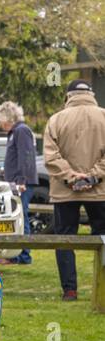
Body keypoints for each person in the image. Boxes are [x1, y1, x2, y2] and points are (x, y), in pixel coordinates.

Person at [43, 79, 105, 301]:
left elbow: (50, 157)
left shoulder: (57, 119)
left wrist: (71, 179)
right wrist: (93, 176)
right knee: (104, 238)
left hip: (64, 191)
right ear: (91, 94)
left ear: (68, 96)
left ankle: (70, 290)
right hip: (101, 191)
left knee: (65, 238)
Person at [0, 100, 36, 265]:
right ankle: (18, 255)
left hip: (21, 183)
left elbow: (25, 156)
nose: (0, 123)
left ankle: (23, 256)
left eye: (0, 119)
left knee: (22, 218)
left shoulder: (21, 130)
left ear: (8, 118)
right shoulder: (15, 131)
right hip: (16, 182)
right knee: (19, 217)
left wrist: (21, 180)